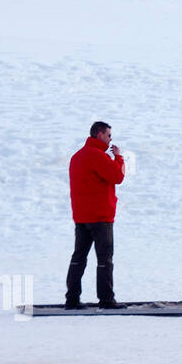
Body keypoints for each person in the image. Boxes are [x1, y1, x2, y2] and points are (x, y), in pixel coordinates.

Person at [65, 121, 126, 309]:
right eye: (109, 136)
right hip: (100, 216)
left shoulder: (77, 156)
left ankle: (72, 299)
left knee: (78, 258)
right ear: (100, 135)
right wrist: (119, 158)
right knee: (104, 259)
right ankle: (106, 300)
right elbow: (118, 177)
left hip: (81, 216)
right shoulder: (98, 156)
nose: (110, 140)